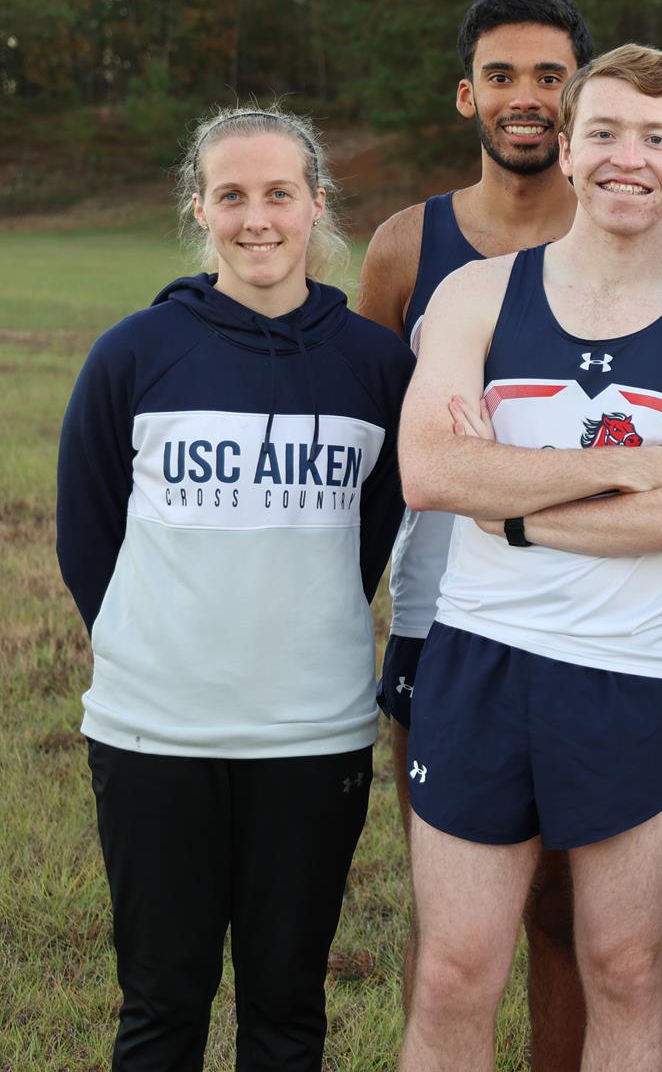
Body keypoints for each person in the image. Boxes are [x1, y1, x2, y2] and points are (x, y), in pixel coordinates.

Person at [395, 45, 662, 1068]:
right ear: (566, 150)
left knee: (625, 968)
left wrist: (512, 502)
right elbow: (428, 470)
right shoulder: (480, 295)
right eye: (603, 132)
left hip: (634, 673)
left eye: (656, 139)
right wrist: (630, 465)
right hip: (480, 662)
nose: (627, 158)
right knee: (453, 972)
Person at [56, 106, 412, 1070]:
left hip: (312, 734)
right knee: (161, 1008)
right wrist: (156, 649)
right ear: (201, 209)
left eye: (279, 194)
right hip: (154, 734)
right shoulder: (134, 353)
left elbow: (372, 535)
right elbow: (88, 535)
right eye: (232, 195)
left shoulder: (376, 365)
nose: (257, 218)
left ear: (316, 206)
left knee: (288, 1009)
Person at [355, 0, 595, 1064]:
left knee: (563, 915)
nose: (528, 98)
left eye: (550, 76)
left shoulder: (628, 237)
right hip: (440, 625)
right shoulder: (408, 248)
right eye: (502, 75)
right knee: (451, 921)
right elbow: (364, 460)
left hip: (589, 617)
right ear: (467, 95)